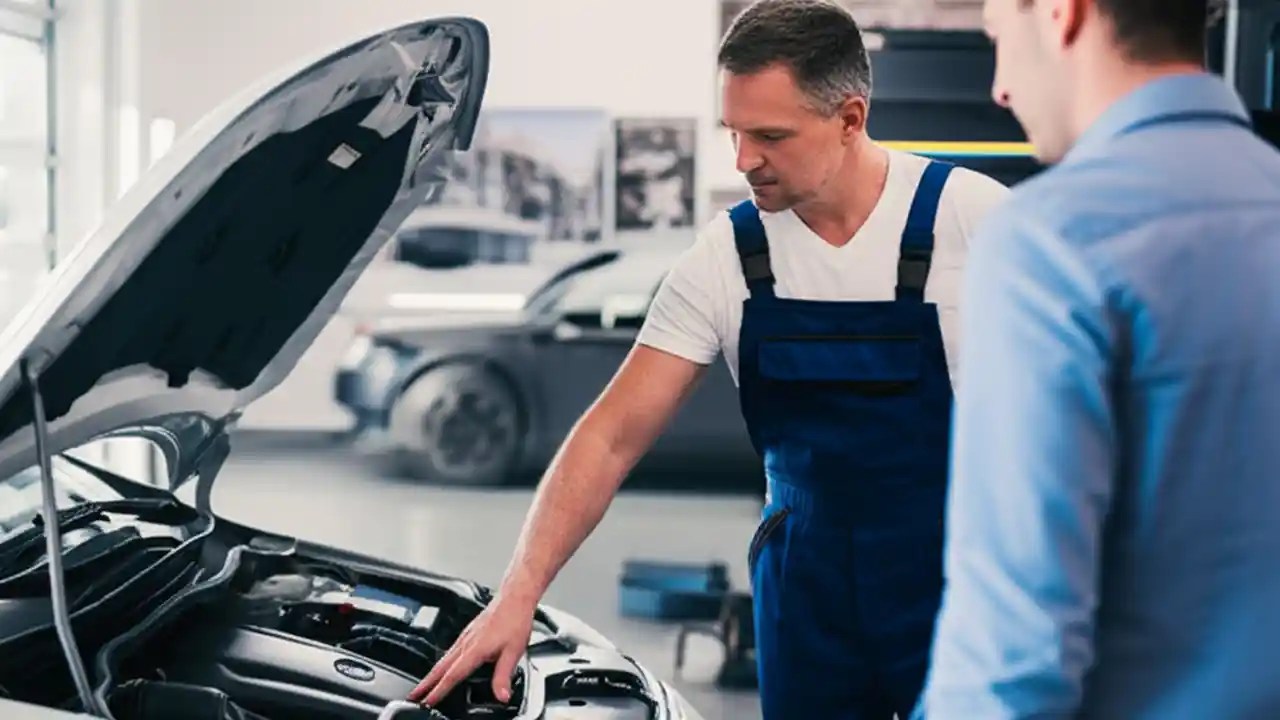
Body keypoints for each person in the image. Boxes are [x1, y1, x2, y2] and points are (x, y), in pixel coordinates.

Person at [409, 0, 1008, 716]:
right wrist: (517, 596)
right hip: (805, 589)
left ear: (850, 119)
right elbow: (609, 436)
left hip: (953, 576)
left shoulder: (975, 225)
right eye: (733, 132)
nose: (743, 160)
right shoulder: (729, 257)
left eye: (770, 136)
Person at [916, 1, 1280, 718]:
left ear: (1061, 13)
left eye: (999, 36)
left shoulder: (1050, 242)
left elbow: (1012, 660)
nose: (999, 87)